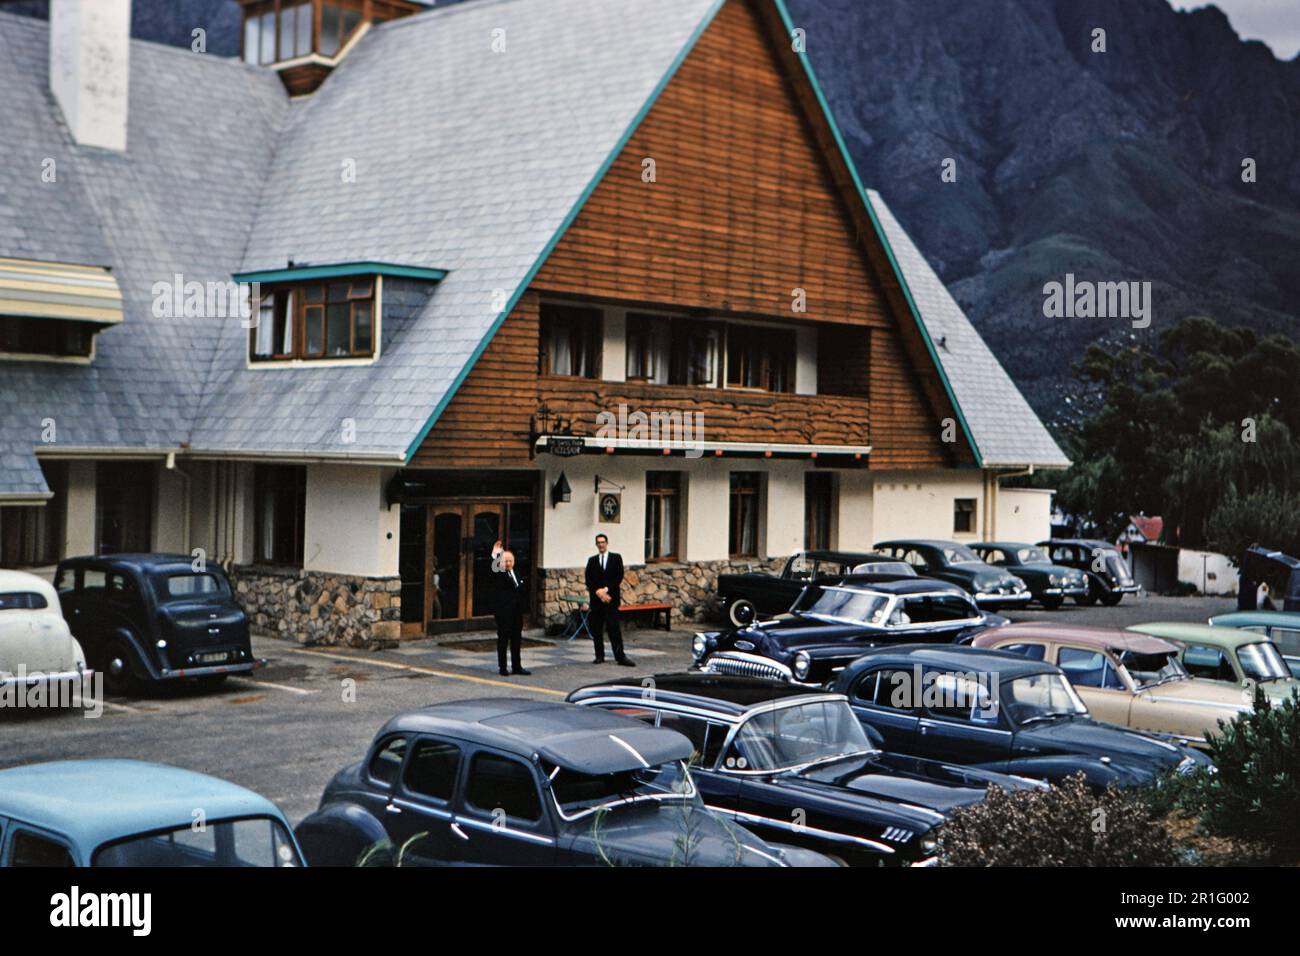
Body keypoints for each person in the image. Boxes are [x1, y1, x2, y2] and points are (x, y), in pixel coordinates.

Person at [584, 533, 635, 667]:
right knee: (597, 629)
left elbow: (618, 576)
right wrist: (598, 592)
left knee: (613, 628)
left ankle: (620, 656)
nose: (601, 545)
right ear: (596, 545)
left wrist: (606, 590)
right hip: (597, 600)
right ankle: (599, 656)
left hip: (611, 599)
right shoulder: (592, 560)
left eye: (603, 542)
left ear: (607, 543)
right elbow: (589, 579)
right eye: (598, 542)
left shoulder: (616, 558)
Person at [490, 541, 530, 677]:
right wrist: (496, 555)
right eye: (505, 561)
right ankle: (503, 667)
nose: (508, 563)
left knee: (516, 640)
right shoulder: (500, 574)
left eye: (510, 561)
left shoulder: (517, 574)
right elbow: (494, 569)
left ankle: (517, 666)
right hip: (503, 613)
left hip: (517, 613)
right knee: (503, 640)